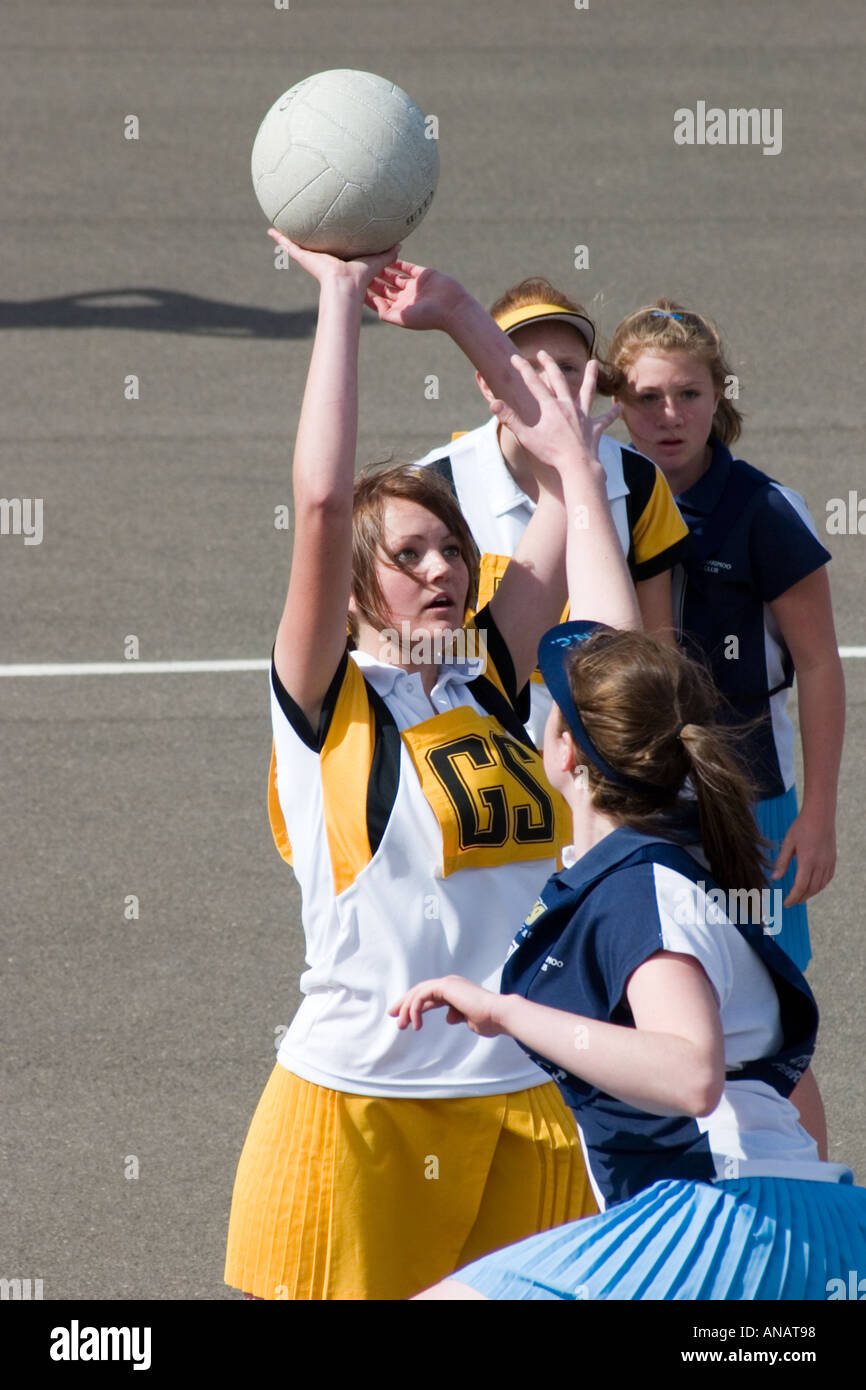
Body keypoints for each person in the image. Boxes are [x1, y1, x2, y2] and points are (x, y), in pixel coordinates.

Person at [391, 359, 864, 1299]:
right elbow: (619, 641)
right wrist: (574, 464)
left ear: (559, 748)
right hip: (785, 1220)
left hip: (725, 1224)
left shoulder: (636, 889)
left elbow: (690, 1074)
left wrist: (503, 1010)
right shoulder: (669, 844)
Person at [223, 239, 642, 1301]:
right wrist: (335, 297)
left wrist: (462, 317)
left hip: (525, 1100)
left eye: (449, 548)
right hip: (362, 1106)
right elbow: (320, 503)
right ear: (356, 590)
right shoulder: (327, 698)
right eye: (407, 555)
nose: (441, 568)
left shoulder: (488, 669)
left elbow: (562, 469)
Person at [603, 300, 844, 975]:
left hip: (751, 795)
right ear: (617, 403)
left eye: (688, 394)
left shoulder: (764, 510)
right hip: (632, 795)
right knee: (644, 990)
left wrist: (818, 813)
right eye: (647, 397)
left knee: (765, 1005)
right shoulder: (598, 497)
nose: (669, 415)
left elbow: (821, 666)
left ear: (718, 396)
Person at [414, 277, 692, 743]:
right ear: (487, 383)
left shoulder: (639, 482)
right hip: (484, 759)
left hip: (598, 761)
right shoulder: (432, 487)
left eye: (566, 366)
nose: (551, 382)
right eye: (526, 367)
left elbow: (656, 650)